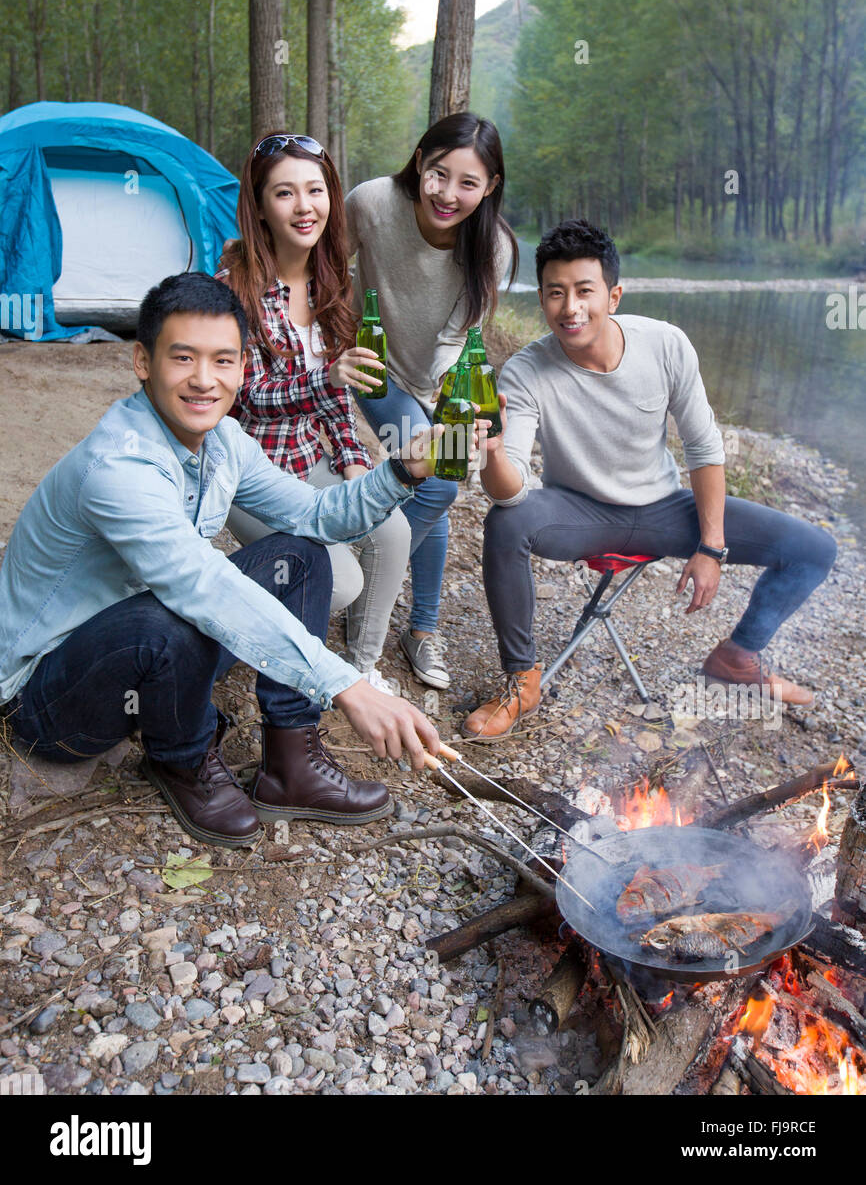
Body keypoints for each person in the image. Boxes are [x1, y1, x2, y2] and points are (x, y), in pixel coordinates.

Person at [1, 273, 441, 846]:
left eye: (223, 360)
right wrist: (348, 684)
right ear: (142, 361)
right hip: (49, 698)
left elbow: (318, 516)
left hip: (142, 647)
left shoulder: (224, 443)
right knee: (171, 614)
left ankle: (290, 763)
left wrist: (407, 469)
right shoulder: (119, 467)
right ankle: (179, 757)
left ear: (241, 367)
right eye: (182, 357)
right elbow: (200, 585)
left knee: (301, 555)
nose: (204, 380)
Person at [465, 218, 837, 741]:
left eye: (584, 291)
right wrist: (494, 453)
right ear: (542, 299)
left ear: (613, 295)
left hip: (665, 508)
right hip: (579, 511)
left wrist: (712, 546)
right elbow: (513, 488)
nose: (569, 308)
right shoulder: (526, 371)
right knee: (506, 522)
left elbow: (705, 447)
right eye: (554, 294)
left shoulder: (664, 343)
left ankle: (739, 655)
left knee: (814, 549)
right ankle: (521, 680)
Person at [216, 132, 410, 694]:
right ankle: (225, 609)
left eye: (316, 190)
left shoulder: (331, 283)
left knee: (392, 532)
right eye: (284, 193)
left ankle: (362, 666)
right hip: (251, 473)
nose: (305, 207)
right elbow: (246, 395)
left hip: (310, 459)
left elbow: (336, 398)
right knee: (339, 582)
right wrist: (323, 376)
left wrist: (352, 458)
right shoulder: (232, 293)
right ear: (258, 206)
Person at [346, 112, 519, 691]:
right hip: (373, 365)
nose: (448, 194)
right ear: (420, 159)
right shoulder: (372, 203)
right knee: (440, 482)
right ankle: (365, 591)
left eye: (468, 183)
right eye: (438, 174)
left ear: (490, 186)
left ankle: (420, 629)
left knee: (438, 489)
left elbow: (461, 338)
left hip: (434, 376)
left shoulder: (493, 246)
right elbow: (323, 270)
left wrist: (459, 403)